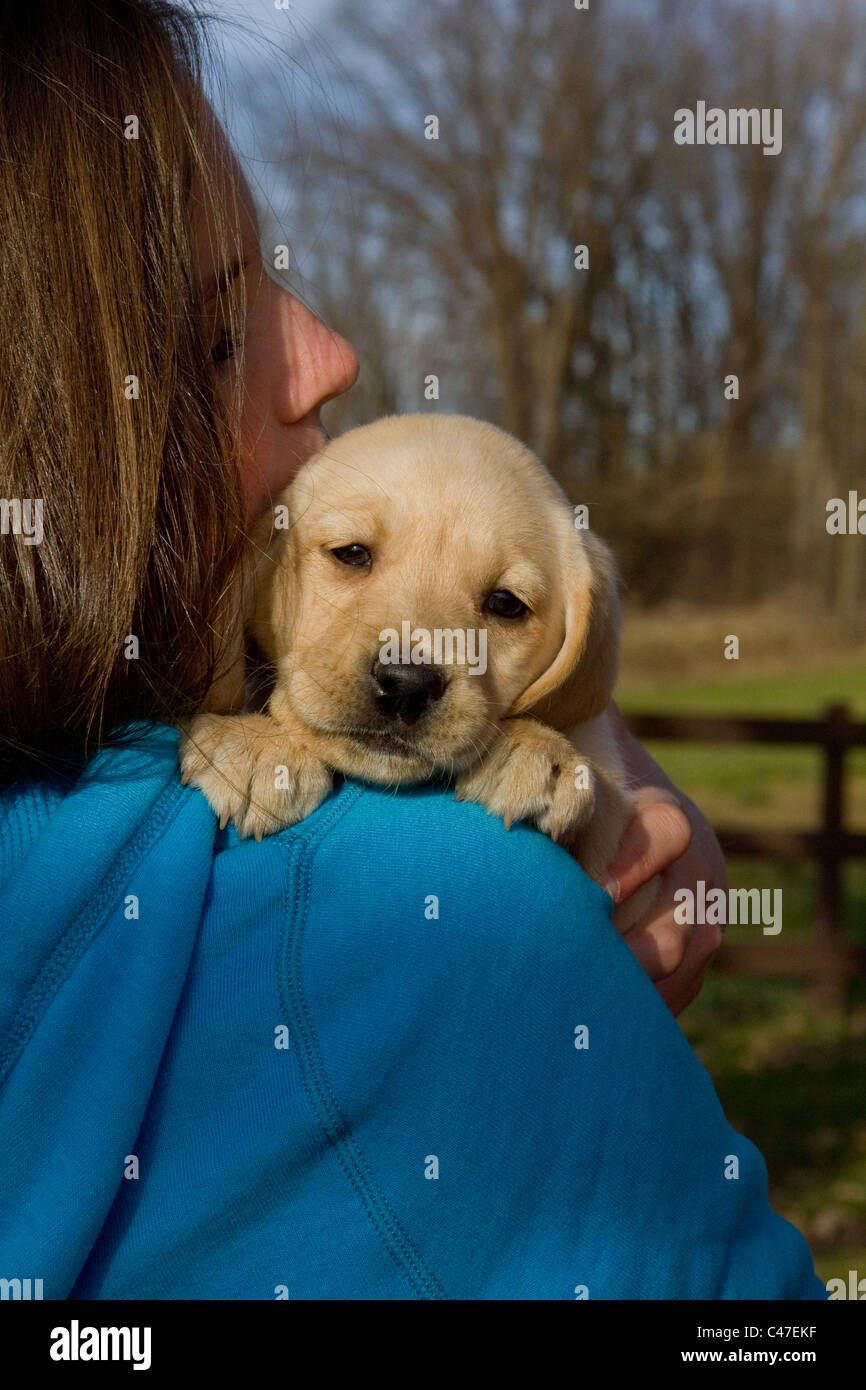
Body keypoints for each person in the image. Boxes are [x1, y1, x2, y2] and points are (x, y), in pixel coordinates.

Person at [0, 0, 824, 1299]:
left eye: (501, 610)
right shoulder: (417, 923)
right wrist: (550, 889)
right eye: (217, 339)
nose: (331, 353)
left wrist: (602, 762)